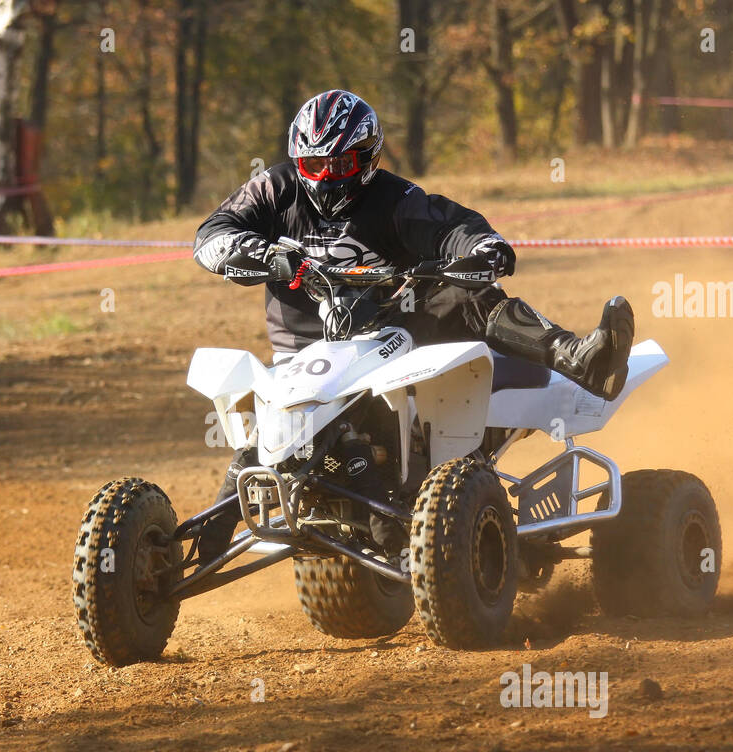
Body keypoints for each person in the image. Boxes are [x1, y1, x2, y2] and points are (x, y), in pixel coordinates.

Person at [191, 89, 634, 564]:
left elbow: (451, 228)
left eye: (337, 166)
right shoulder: (275, 188)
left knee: (468, 294)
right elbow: (211, 236)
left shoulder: (395, 199)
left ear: (366, 158)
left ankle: (579, 359)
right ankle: (174, 560)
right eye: (312, 164)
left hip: (389, 339)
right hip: (300, 356)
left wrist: (483, 246)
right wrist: (270, 256)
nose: (323, 178)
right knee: (256, 452)